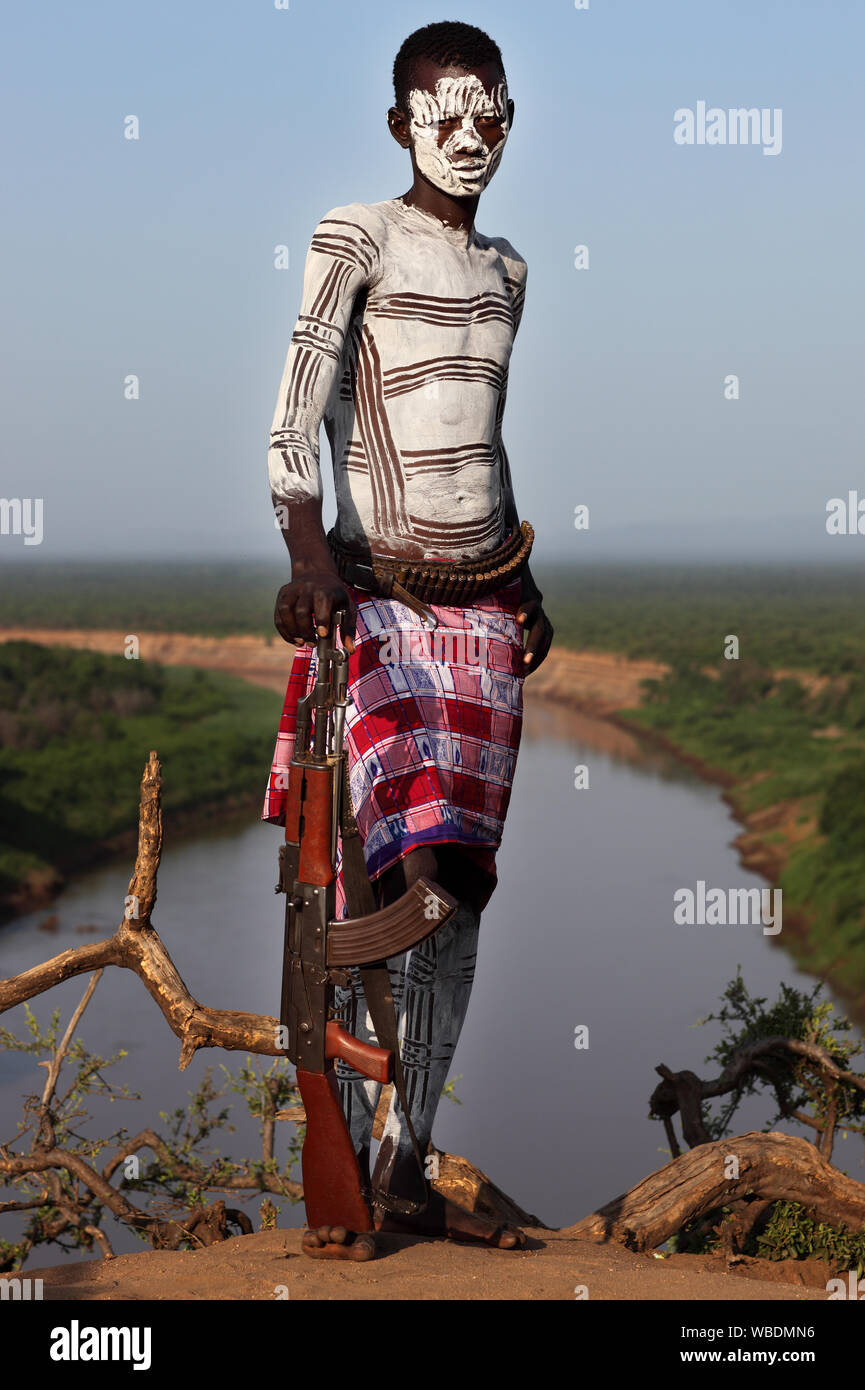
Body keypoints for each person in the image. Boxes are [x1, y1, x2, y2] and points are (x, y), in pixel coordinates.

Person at [262, 20, 553, 1256]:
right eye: (448, 110)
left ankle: (405, 1161)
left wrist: (524, 579)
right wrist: (307, 554)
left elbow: (481, 439)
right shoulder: (356, 235)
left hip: (485, 609)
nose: (472, 132)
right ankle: (345, 1137)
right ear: (401, 125)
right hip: (375, 599)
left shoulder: (510, 273)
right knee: (380, 888)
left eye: (492, 109)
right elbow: (301, 400)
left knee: (463, 897)